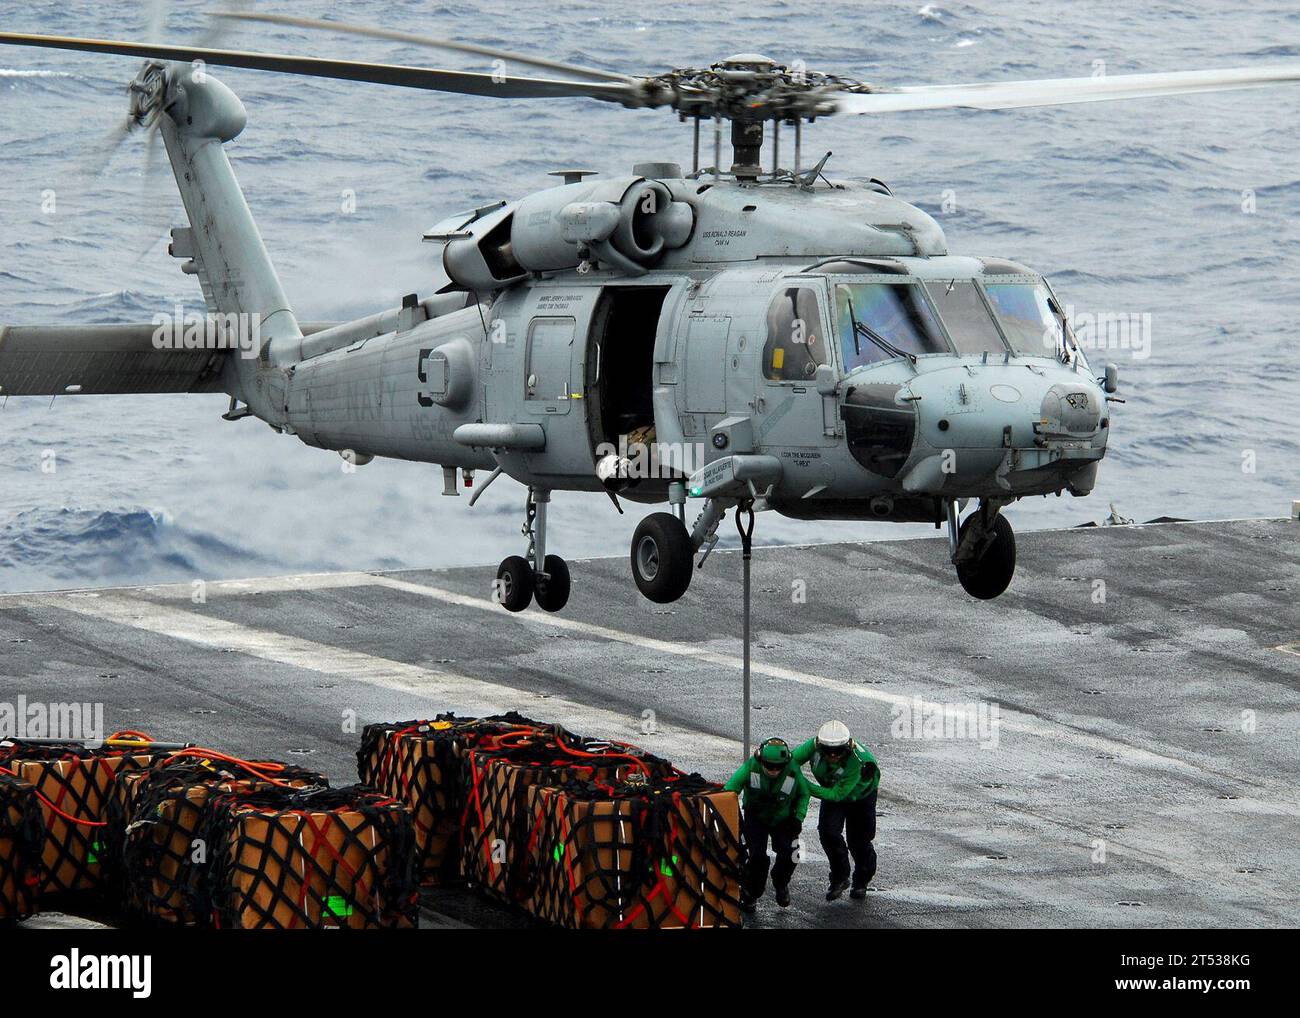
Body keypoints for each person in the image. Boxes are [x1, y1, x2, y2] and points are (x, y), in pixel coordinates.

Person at [793, 720, 880, 902]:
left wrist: (805, 785)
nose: (832, 755)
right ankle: (840, 876)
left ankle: (862, 880)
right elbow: (791, 761)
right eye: (828, 751)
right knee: (828, 832)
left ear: (848, 747)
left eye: (838, 751)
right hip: (831, 788)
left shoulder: (859, 761)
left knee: (858, 841)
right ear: (819, 745)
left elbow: (836, 795)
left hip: (859, 796)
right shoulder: (813, 746)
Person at [724, 737, 810, 910]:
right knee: (756, 856)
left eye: (778, 766)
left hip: (783, 818)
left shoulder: (793, 770)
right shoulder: (751, 767)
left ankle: (781, 883)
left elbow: (804, 794)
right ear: (761, 760)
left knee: (792, 853)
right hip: (756, 817)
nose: (773, 770)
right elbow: (730, 790)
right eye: (769, 765)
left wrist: (798, 818)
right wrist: (728, 815)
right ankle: (751, 893)